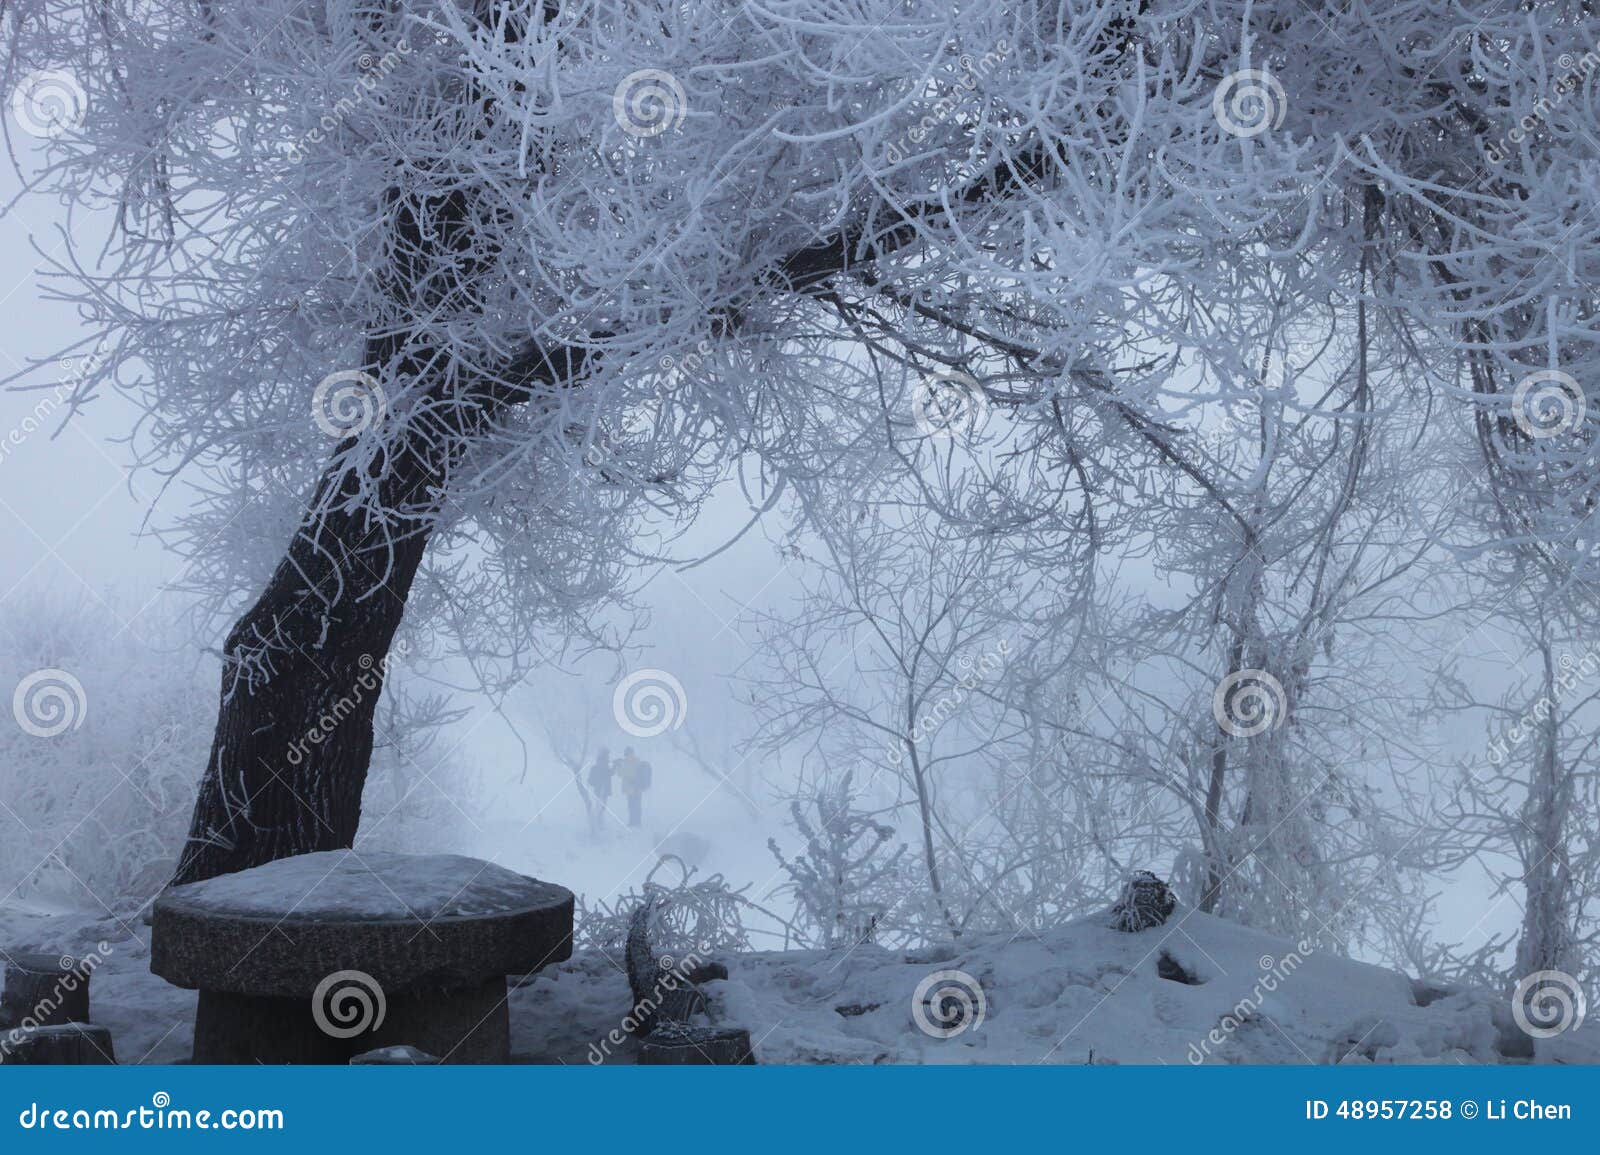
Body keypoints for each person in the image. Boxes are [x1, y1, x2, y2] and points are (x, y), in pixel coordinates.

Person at [615, 746, 651, 827]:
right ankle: (636, 822)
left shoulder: (630, 762)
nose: (625, 756)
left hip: (632, 788)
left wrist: (618, 766)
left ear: (628, 753)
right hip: (636, 788)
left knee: (633, 806)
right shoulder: (635, 761)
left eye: (626, 754)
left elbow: (623, 774)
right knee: (635, 805)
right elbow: (623, 774)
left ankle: (634, 822)